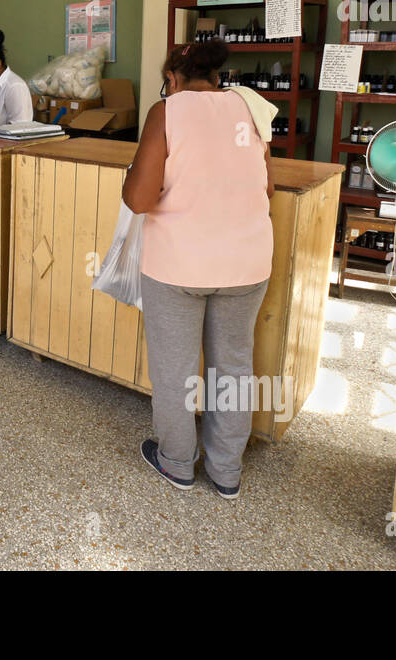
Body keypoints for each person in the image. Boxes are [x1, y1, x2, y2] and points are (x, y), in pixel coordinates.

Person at [122, 38, 274, 500]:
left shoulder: (165, 112)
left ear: (172, 79)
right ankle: (227, 472)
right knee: (234, 368)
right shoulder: (250, 106)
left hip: (179, 266)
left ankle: (176, 463)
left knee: (176, 371)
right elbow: (265, 183)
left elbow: (139, 199)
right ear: (218, 76)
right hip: (247, 263)